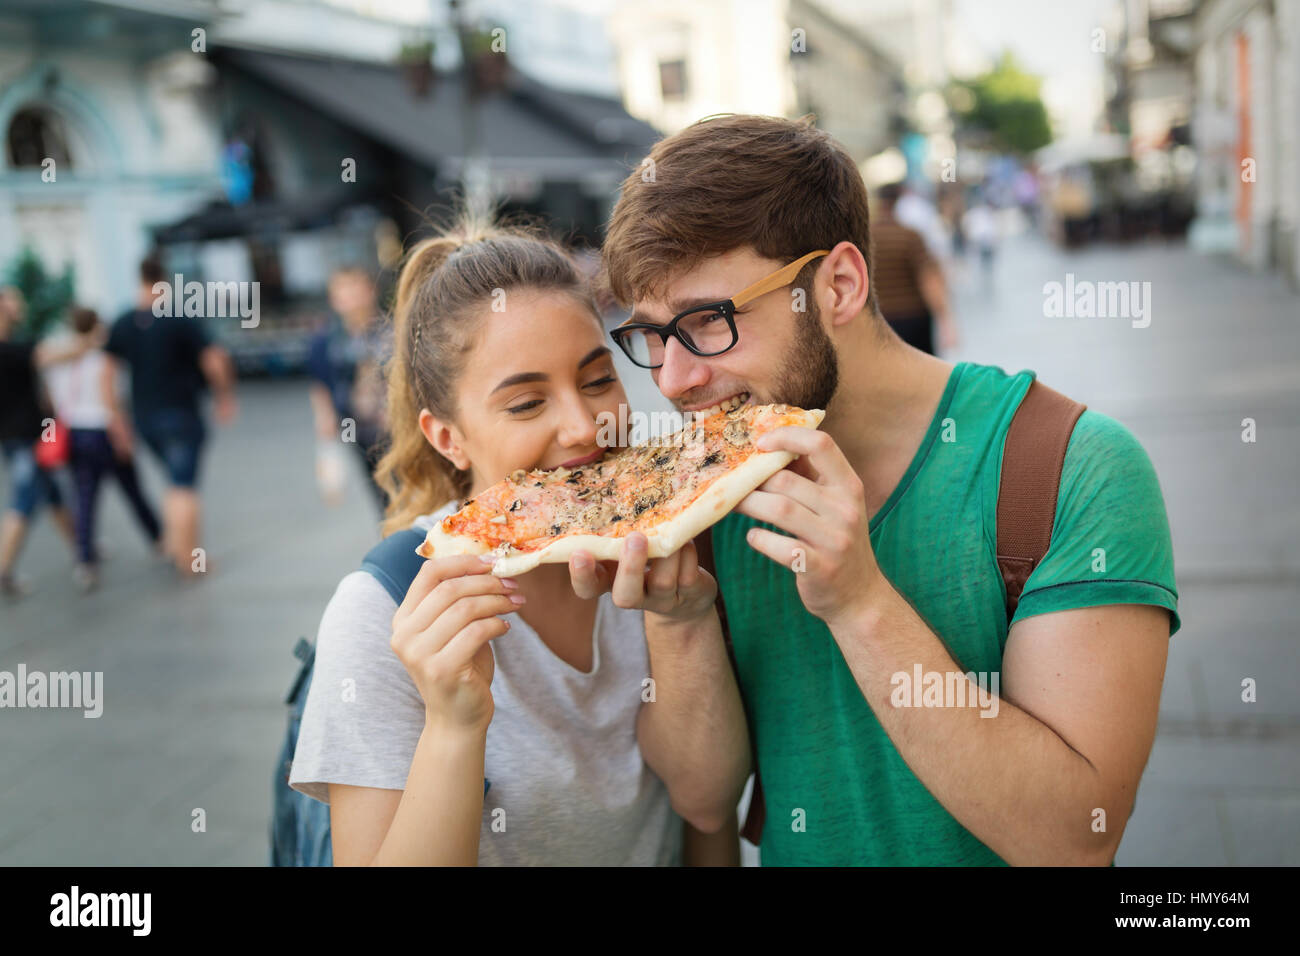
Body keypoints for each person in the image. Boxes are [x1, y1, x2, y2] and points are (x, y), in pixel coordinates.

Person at [594, 114, 1180, 865]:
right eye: (652, 335)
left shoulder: (1072, 466)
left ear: (838, 284)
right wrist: (679, 620)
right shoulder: (701, 499)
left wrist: (860, 603)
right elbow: (704, 801)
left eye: (708, 322)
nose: (674, 381)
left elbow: (1073, 837)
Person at [288, 214, 743, 865]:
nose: (585, 427)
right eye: (527, 403)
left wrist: (683, 622)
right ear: (447, 436)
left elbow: (706, 808)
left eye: (597, 380)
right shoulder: (383, 615)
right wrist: (453, 726)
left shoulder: (669, 549)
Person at [102, 256, 237, 577]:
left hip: (145, 419)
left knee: (173, 484)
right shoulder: (179, 318)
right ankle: (190, 561)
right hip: (181, 416)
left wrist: (115, 418)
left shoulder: (123, 322)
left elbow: (105, 374)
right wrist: (224, 396)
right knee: (183, 486)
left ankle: (178, 550)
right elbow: (215, 359)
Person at [43, 307, 163, 592]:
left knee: (84, 498)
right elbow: (115, 399)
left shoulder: (60, 358)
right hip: (104, 429)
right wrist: (123, 435)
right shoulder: (105, 358)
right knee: (133, 490)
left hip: (75, 432)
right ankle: (159, 540)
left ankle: (85, 561)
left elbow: (49, 402)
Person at [0, 286, 86, 597]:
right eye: (14, 301)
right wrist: (89, 339)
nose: (20, 306)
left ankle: (82, 548)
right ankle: (4, 571)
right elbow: (53, 355)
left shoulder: (16, 346)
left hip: (35, 435)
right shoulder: (11, 349)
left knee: (53, 496)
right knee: (24, 500)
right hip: (23, 440)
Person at [306, 267, 390, 514]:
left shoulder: (391, 329)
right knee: (378, 486)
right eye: (343, 290)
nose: (351, 296)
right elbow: (321, 382)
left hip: (395, 425)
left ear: (370, 291)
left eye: (356, 288)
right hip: (356, 427)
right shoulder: (326, 340)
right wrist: (324, 416)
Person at [870, 181, 959, 354]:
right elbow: (928, 279)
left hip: (879, 319)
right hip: (914, 318)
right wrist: (946, 320)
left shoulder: (865, 236)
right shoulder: (910, 236)